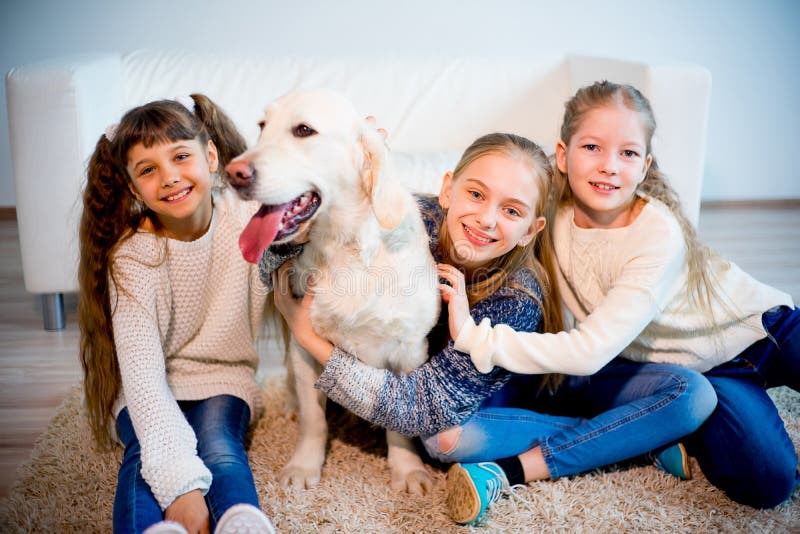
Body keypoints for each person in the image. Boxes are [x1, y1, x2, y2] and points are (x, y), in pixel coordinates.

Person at [272, 132, 716, 523]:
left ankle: (619, 434)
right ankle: (628, 435)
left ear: (530, 230)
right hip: (443, 385)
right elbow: (286, 252)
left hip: (499, 391)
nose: (486, 219)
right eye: (477, 195)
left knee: (444, 441)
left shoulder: (517, 298)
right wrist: (351, 167)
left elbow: (418, 409)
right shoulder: (408, 221)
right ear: (447, 190)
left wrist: (307, 335)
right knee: (441, 433)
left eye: (511, 210)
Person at [446, 81, 800, 512]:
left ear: (645, 165)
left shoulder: (657, 233)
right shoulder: (546, 214)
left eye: (628, 153)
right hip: (703, 376)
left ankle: (646, 429)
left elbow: (588, 352)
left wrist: (475, 337)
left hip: (763, 331)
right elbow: (475, 200)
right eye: (593, 147)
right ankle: (650, 434)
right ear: (563, 154)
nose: (609, 166)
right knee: (768, 482)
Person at [78, 95, 276, 534]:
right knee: (143, 458)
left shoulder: (249, 220)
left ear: (210, 156)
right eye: (148, 170)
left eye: (181, 157)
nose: (169, 177)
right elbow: (145, 381)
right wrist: (183, 491)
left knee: (220, 446)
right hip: (144, 387)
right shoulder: (133, 258)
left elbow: (314, 225)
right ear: (133, 189)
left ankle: (238, 521)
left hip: (223, 377)